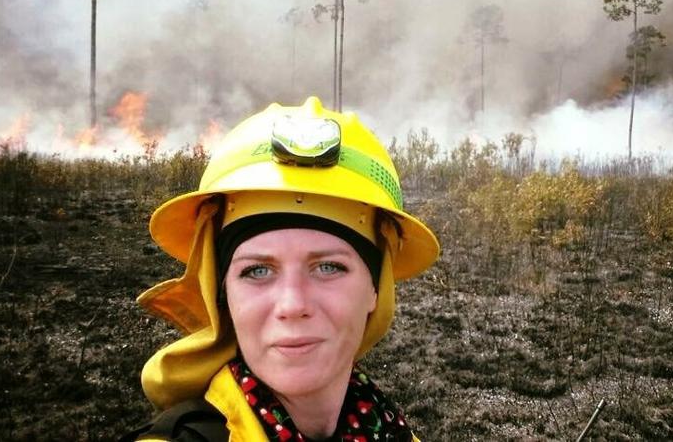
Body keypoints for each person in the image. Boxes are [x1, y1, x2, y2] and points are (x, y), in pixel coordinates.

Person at [122, 97, 439, 441]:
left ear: (377, 288)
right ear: (222, 292)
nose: (292, 305)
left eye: (329, 267)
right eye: (258, 271)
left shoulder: (388, 430)